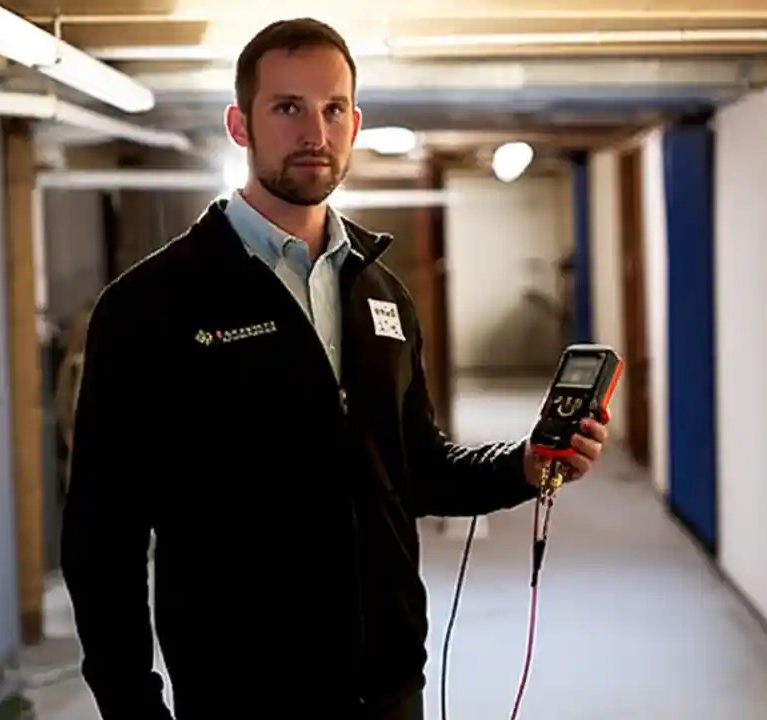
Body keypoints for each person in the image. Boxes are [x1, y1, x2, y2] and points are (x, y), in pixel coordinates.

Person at [60, 17, 608, 720]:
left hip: (387, 680)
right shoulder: (151, 304)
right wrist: (130, 704)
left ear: (355, 122)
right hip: (240, 689)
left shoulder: (382, 293)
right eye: (287, 107)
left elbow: (413, 466)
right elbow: (102, 530)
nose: (314, 132)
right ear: (239, 124)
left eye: (333, 108)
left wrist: (525, 467)